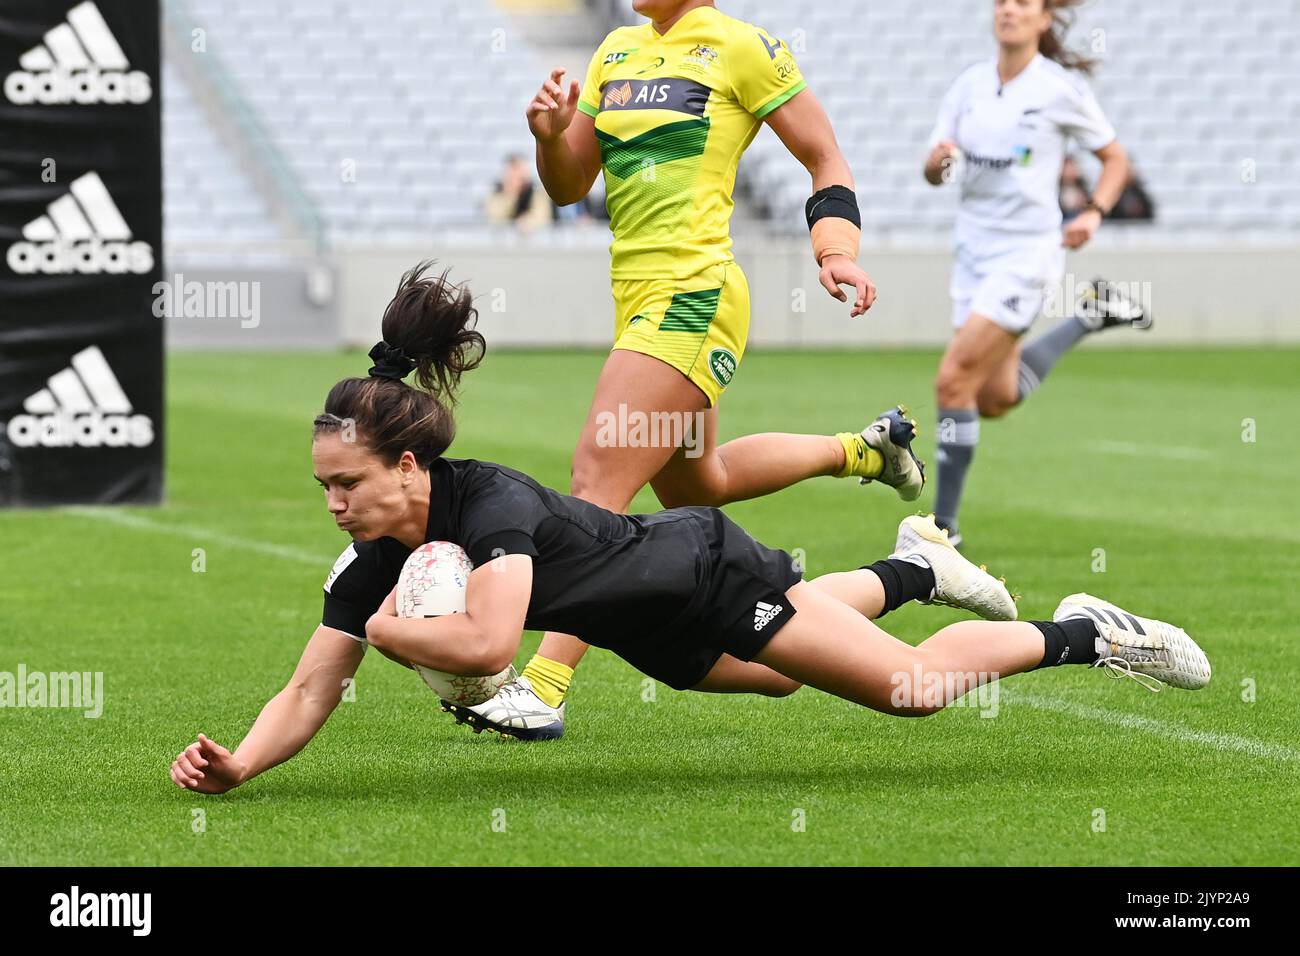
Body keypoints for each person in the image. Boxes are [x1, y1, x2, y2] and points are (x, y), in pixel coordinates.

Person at [168, 264, 1211, 793]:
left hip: (695, 570)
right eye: (321, 487)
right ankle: (908, 563)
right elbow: (311, 683)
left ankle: (1089, 631)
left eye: (345, 481)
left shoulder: (488, 507)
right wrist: (243, 762)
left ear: (407, 464)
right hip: (649, 624)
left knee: (907, 688)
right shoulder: (375, 557)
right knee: (786, 663)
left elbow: (488, 648)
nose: (333, 504)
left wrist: (398, 633)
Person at [464, 0, 917, 739]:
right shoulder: (614, 51)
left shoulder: (743, 48)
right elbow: (571, 183)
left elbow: (824, 157)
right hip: (637, 298)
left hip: (693, 298)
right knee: (697, 483)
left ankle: (544, 685)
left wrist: (836, 251)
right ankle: (866, 451)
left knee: (598, 480)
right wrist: (547, 137)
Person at [923, 0, 1149, 550]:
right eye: (1001, 1)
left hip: (1026, 256)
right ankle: (1089, 315)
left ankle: (941, 535)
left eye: (1022, 2)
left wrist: (1094, 210)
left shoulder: (1058, 88)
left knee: (952, 381)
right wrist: (942, 159)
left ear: (1044, 18)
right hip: (972, 254)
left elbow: (1116, 158)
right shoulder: (970, 86)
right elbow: (933, 170)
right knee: (992, 398)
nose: (1007, 10)